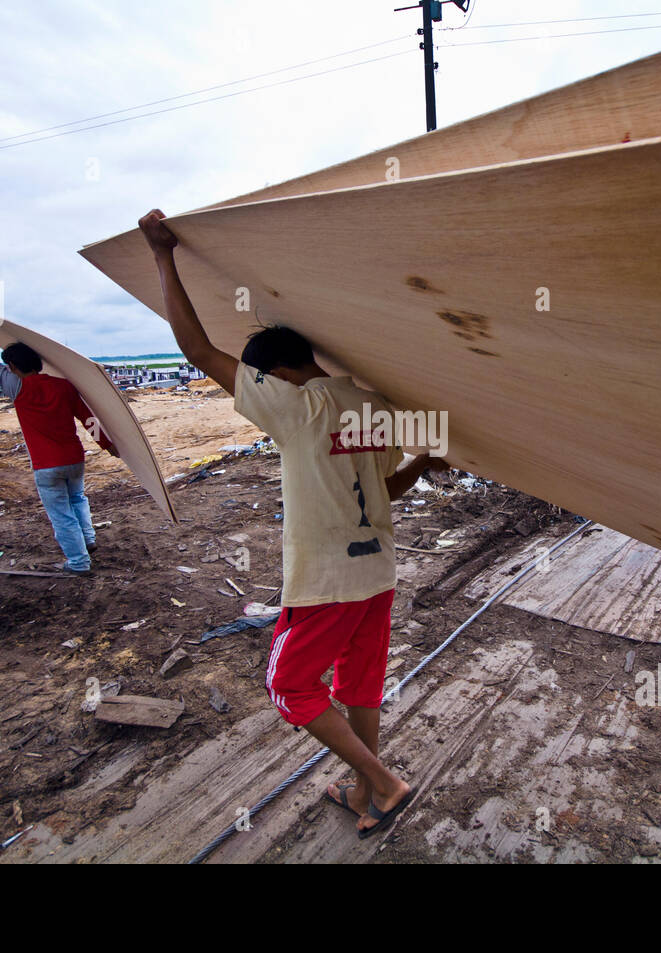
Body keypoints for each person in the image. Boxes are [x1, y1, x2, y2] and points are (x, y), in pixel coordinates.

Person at [138, 207, 442, 838]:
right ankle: (365, 788)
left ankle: (384, 782)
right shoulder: (373, 404)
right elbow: (386, 486)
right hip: (376, 573)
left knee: (288, 685)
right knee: (359, 683)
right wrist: (425, 458)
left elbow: (195, 349)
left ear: (272, 374)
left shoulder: (296, 406)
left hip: (326, 580)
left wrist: (161, 252)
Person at [0, 302, 118, 574]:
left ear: (11, 366)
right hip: (74, 458)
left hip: (46, 466)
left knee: (61, 513)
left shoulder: (15, 386)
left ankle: (79, 562)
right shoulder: (62, 385)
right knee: (78, 499)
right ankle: (89, 540)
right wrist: (107, 445)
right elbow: (87, 419)